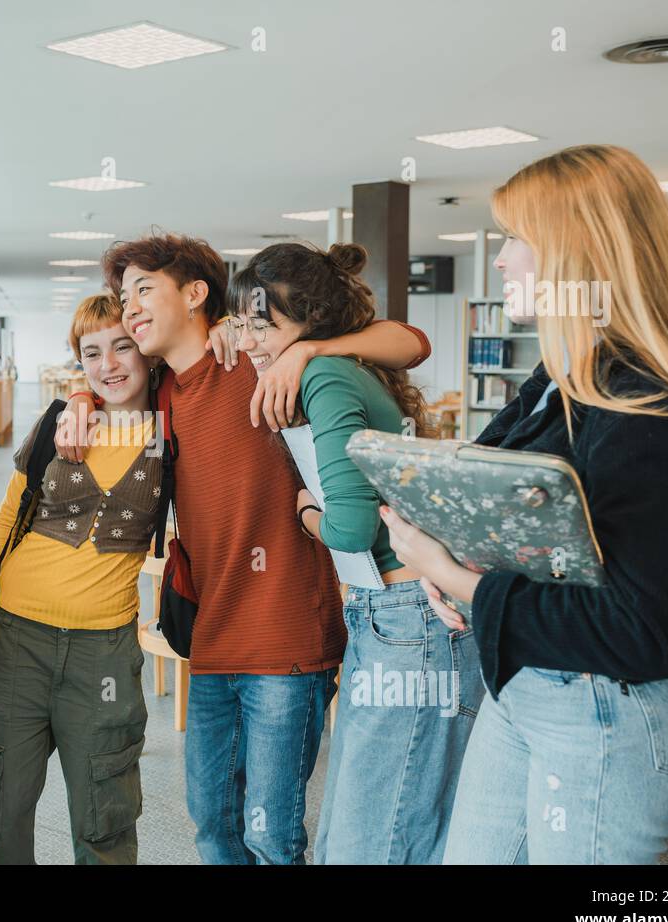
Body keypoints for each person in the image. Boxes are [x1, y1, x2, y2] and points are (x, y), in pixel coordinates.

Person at [380, 145, 668, 864]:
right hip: (527, 685)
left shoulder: (645, 407)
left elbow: (639, 634)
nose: (501, 261)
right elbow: (519, 523)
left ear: (579, 253)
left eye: (517, 240)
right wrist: (467, 578)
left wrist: (461, 582)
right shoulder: (557, 381)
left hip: (604, 713)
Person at [63, 232, 430, 863]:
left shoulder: (253, 358)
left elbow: (411, 343)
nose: (129, 309)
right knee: (211, 827)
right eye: (124, 297)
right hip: (211, 638)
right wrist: (80, 395)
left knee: (271, 834)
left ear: (197, 293)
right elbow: (109, 372)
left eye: (143, 290)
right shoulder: (165, 392)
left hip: (285, 637)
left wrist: (309, 349)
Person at [227, 241, 483, 864]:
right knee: (393, 819)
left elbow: (348, 526)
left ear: (311, 324)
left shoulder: (319, 375)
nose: (250, 342)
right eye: (243, 326)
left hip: (406, 616)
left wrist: (304, 511)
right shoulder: (338, 367)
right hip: (401, 611)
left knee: (378, 831)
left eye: (266, 328)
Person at [0, 294, 156, 864]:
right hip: (16, 639)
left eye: (123, 345)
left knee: (106, 814)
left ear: (146, 348)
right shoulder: (56, 423)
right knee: (1, 807)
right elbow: (4, 520)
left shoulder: (172, 434)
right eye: (91, 353)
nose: (109, 364)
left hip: (104, 653)